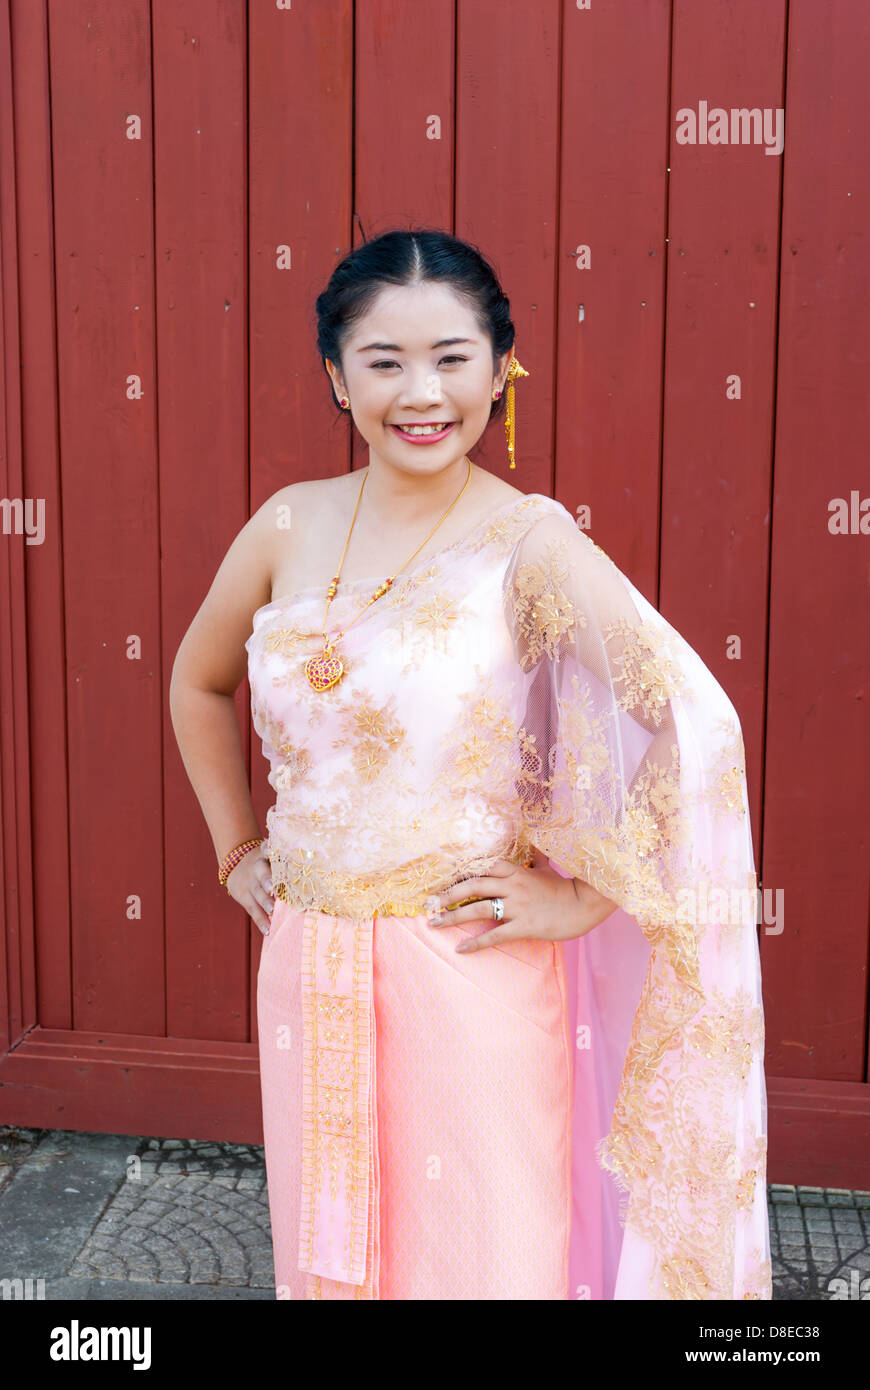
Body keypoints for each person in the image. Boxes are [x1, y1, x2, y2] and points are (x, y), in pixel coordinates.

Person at [169, 227, 772, 1301]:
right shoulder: (288, 524)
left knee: (482, 1260)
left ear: (502, 368)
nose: (421, 392)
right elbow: (197, 682)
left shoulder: (529, 544)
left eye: (452, 357)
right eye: (384, 359)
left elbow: (689, 714)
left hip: (471, 965)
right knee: (328, 1249)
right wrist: (236, 847)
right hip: (310, 963)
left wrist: (585, 894)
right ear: (334, 374)